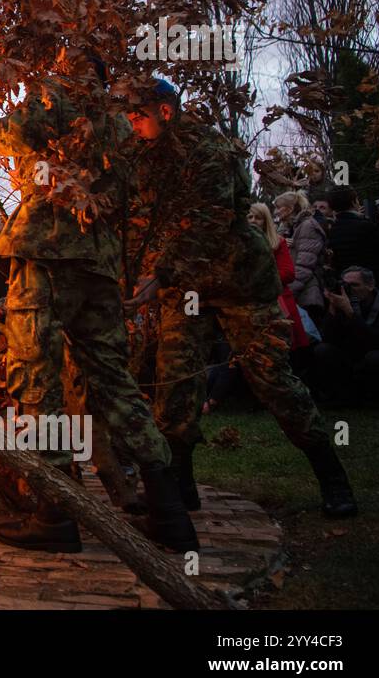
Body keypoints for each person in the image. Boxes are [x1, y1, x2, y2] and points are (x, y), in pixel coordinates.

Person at [0, 72, 198, 553]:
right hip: (100, 265)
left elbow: (13, 134)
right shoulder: (118, 118)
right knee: (115, 382)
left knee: (36, 382)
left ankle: (55, 515)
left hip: (48, 258)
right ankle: (170, 514)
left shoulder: (57, 97)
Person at [125, 79, 357, 518]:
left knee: (272, 380)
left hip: (237, 281)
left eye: (138, 115)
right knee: (175, 384)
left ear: (165, 112)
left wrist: (161, 272)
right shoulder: (144, 157)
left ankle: (333, 479)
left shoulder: (207, 151)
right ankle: (181, 487)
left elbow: (208, 222)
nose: (132, 124)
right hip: (186, 288)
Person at [311, 266, 379, 406]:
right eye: (345, 285)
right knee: (322, 350)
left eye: (354, 285)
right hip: (350, 358)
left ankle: (377, 398)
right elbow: (326, 338)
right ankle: (338, 396)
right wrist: (332, 309)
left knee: (375, 357)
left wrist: (350, 313)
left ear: (370, 286)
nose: (349, 289)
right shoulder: (340, 302)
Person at [248, 203, 310, 353]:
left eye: (258, 218)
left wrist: (258, 282)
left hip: (277, 302)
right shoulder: (238, 245)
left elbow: (288, 273)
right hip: (251, 305)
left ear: (266, 221)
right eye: (250, 217)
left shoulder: (277, 242)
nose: (253, 221)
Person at [274, 191, 328, 325]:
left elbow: (304, 266)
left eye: (278, 207)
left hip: (306, 295)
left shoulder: (307, 226)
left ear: (290, 209)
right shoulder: (290, 227)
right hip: (297, 293)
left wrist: (287, 292)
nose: (275, 212)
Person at [326, 186, 379, 292]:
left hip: (349, 286)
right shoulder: (365, 226)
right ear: (354, 202)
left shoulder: (333, 229)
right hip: (375, 285)